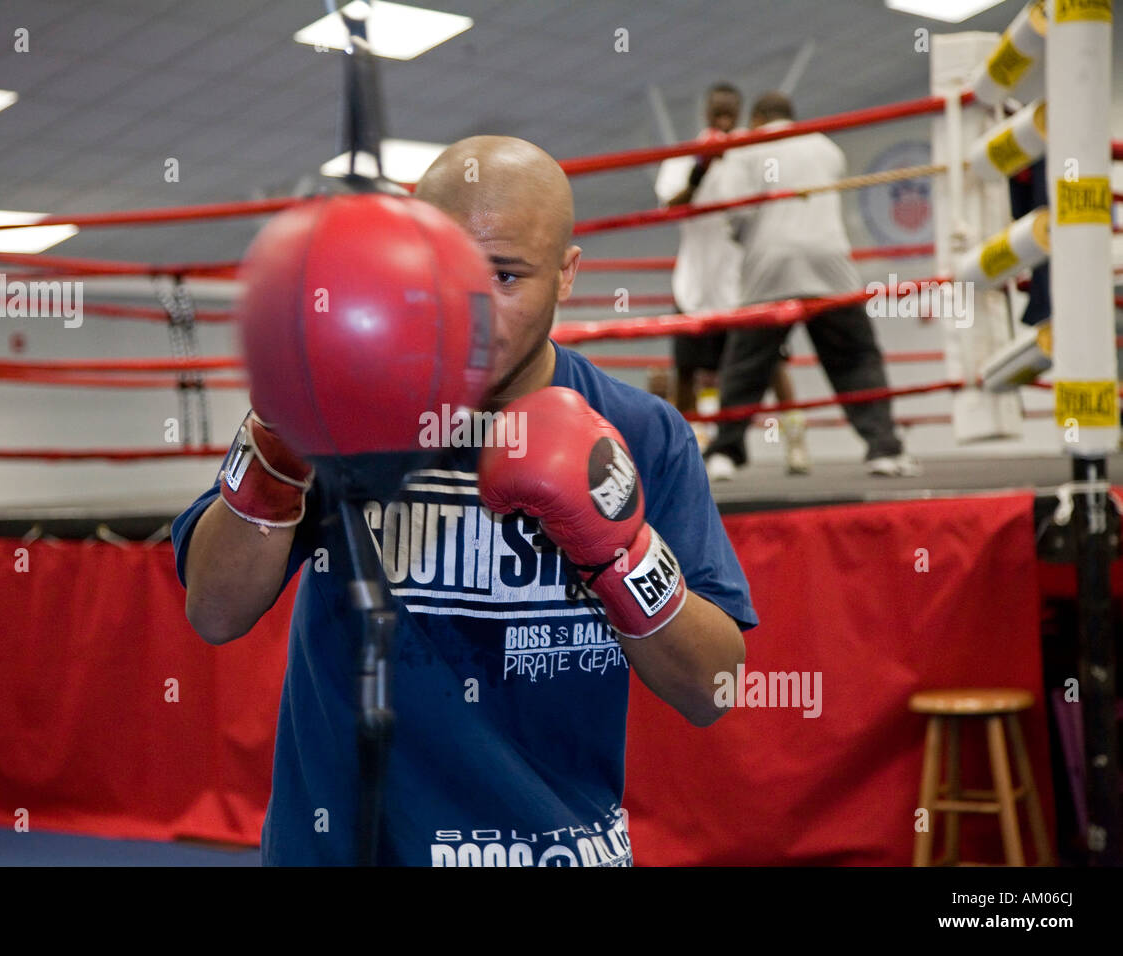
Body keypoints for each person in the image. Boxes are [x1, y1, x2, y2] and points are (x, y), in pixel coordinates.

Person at [172, 135, 757, 867]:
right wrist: (278, 450)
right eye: (448, 275)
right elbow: (215, 612)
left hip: (561, 851)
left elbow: (715, 688)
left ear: (568, 275)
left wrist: (621, 552)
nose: (474, 313)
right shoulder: (346, 404)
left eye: (506, 276)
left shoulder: (640, 431)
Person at [698, 92, 920, 480]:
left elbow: (735, 211)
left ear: (759, 118)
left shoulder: (746, 148)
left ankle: (725, 455)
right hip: (829, 261)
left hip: (771, 262)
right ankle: (884, 449)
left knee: (747, 364)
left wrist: (745, 235)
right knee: (855, 358)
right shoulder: (826, 147)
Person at [652, 82, 809, 474]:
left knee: (771, 364)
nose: (723, 119)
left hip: (745, 279)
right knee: (685, 371)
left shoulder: (753, 154)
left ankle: (795, 440)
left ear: (738, 113)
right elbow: (672, 208)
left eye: (729, 113)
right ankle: (685, 453)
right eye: (717, 112)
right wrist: (701, 169)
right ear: (707, 112)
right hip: (695, 281)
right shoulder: (682, 158)